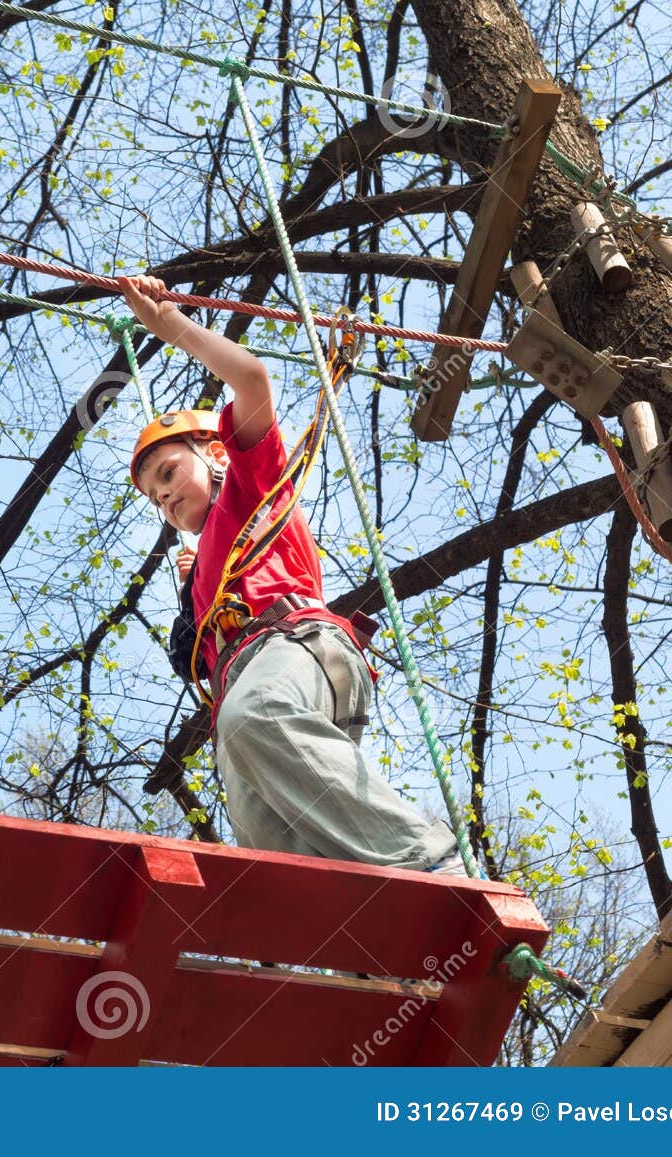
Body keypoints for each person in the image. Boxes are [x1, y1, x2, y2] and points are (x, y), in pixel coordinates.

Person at [117, 275, 466, 876]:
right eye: (154, 495)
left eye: (170, 474)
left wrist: (172, 327)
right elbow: (193, 661)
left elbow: (251, 380)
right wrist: (191, 597)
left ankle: (428, 860)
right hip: (245, 689)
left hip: (293, 652)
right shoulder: (203, 570)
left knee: (253, 719)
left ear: (217, 455)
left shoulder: (250, 492)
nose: (164, 497)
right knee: (272, 855)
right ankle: (362, 954)